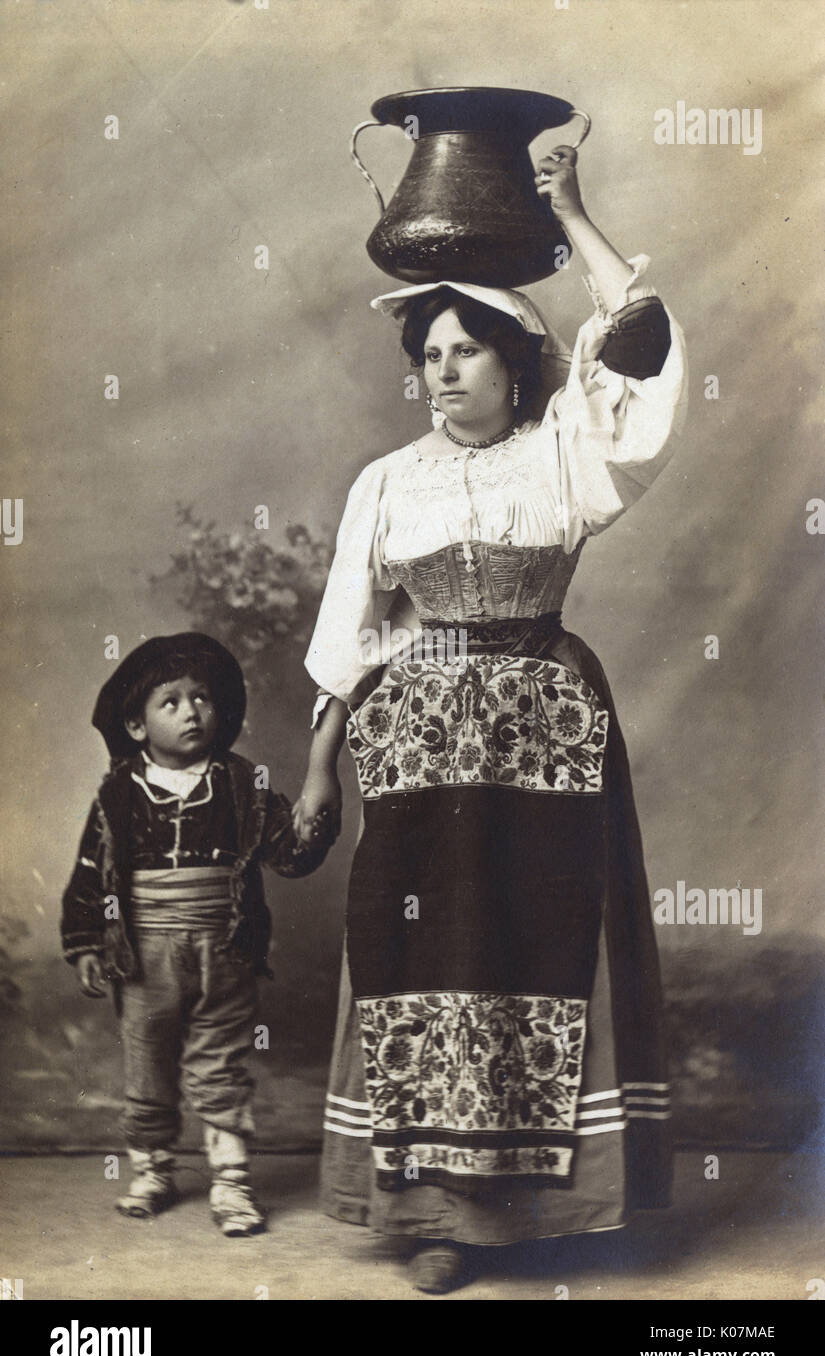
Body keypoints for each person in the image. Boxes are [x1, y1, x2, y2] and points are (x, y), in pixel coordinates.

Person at [294, 145, 688, 1292]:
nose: (442, 371)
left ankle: (551, 1211)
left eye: (467, 351)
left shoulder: (563, 451)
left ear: (516, 365)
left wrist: (573, 213)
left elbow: (643, 345)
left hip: (546, 729)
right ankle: (436, 1218)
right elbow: (347, 640)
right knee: (427, 954)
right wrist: (319, 773)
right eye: (429, 354)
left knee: (543, 946)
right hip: (415, 744)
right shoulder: (387, 482)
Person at [60, 632, 333, 1236]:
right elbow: (90, 872)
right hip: (144, 957)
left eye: (203, 699)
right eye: (172, 702)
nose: (191, 711)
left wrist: (314, 814)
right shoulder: (118, 793)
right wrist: (85, 943)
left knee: (221, 1064)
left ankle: (232, 1180)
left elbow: (288, 854)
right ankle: (153, 1168)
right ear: (136, 725)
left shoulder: (241, 784)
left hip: (224, 952)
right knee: (148, 1062)